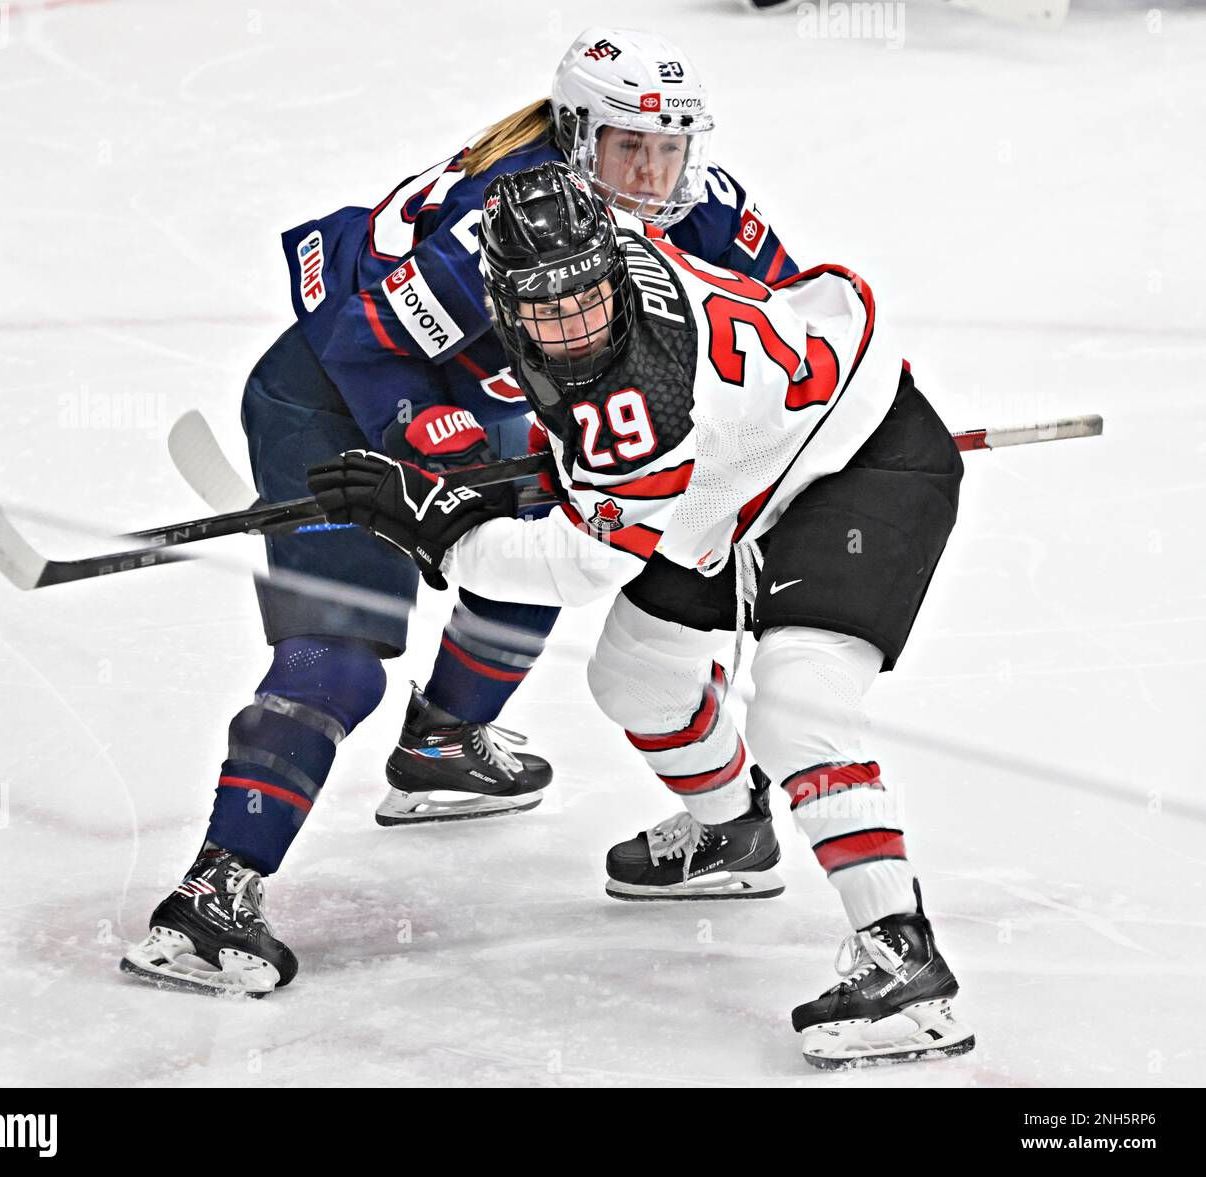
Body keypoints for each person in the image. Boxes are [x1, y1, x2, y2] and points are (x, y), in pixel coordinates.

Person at [120, 28, 796, 997]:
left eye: (669, 146)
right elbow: (366, 341)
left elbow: (792, 315)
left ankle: (441, 741)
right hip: (326, 396)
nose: (652, 175)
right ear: (575, 133)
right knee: (337, 656)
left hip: (481, 394)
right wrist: (446, 459)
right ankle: (208, 902)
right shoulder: (501, 223)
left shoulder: (704, 200)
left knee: (559, 541)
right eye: (626, 148)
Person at [307, 162, 973, 1068]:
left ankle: (906, 963)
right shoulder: (603, 258)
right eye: (548, 309)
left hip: (859, 463)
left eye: (587, 299)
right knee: (635, 675)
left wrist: (443, 533)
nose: (576, 325)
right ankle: (732, 831)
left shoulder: (638, 398)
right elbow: (602, 466)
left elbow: (579, 564)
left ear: (612, 272)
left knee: (798, 704)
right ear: (506, 299)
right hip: (732, 474)